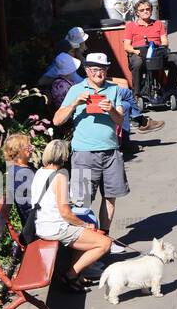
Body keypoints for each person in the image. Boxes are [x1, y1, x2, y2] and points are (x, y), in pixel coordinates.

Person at [52, 54, 127, 236]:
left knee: (110, 197)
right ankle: (85, 242)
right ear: (86, 71)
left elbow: (120, 120)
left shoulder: (114, 90)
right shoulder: (76, 90)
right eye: (94, 69)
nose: (98, 73)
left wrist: (111, 110)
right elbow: (57, 120)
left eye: (102, 69)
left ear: (107, 70)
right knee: (82, 201)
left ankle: (104, 237)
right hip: (84, 153)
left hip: (111, 151)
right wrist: (75, 103)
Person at [28, 140, 113, 293]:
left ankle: (77, 273)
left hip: (42, 225)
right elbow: (65, 213)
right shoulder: (59, 177)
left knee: (85, 233)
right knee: (105, 243)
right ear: (64, 157)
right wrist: (85, 225)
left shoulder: (40, 172)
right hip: (56, 228)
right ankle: (71, 275)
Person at [123, 1, 177, 99]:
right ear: (137, 13)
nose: (145, 11)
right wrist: (135, 51)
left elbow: (165, 41)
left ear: (151, 10)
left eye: (147, 9)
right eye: (142, 10)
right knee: (137, 63)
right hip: (139, 52)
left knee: (175, 58)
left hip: (157, 51)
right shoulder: (131, 26)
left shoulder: (158, 24)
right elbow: (127, 46)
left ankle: (170, 90)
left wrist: (160, 47)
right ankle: (136, 94)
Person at [3, 133, 34, 222]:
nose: (31, 147)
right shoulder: (18, 174)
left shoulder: (28, 166)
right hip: (34, 222)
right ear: (18, 150)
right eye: (28, 145)